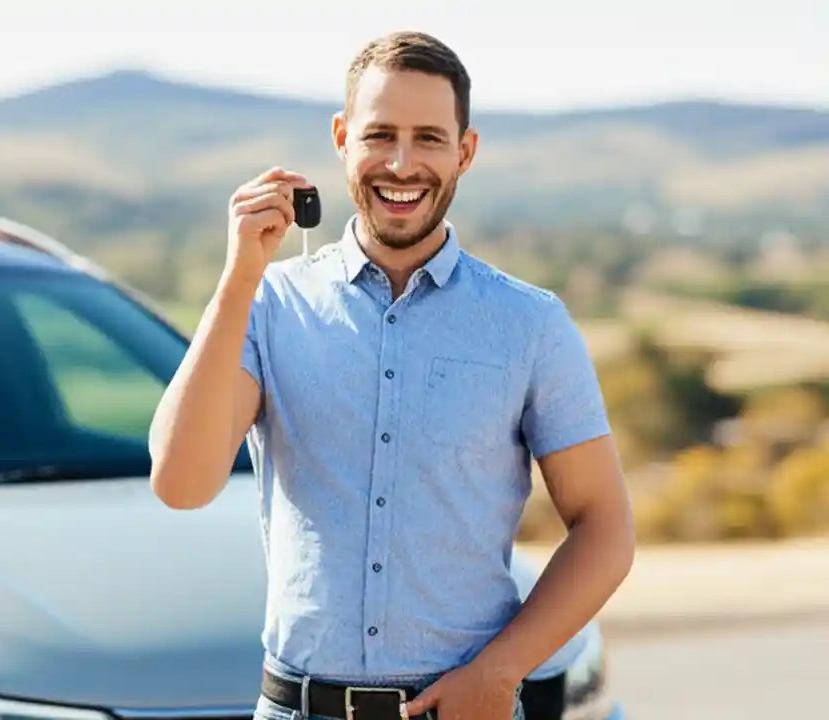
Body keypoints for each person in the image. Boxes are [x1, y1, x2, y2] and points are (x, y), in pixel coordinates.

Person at [147, 29, 635, 720]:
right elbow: (181, 482)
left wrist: (500, 673)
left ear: (465, 151)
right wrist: (239, 277)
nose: (402, 165)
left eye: (429, 138)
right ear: (343, 139)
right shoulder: (269, 305)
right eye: (380, 135)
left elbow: (606, 526)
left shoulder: (531, 324)